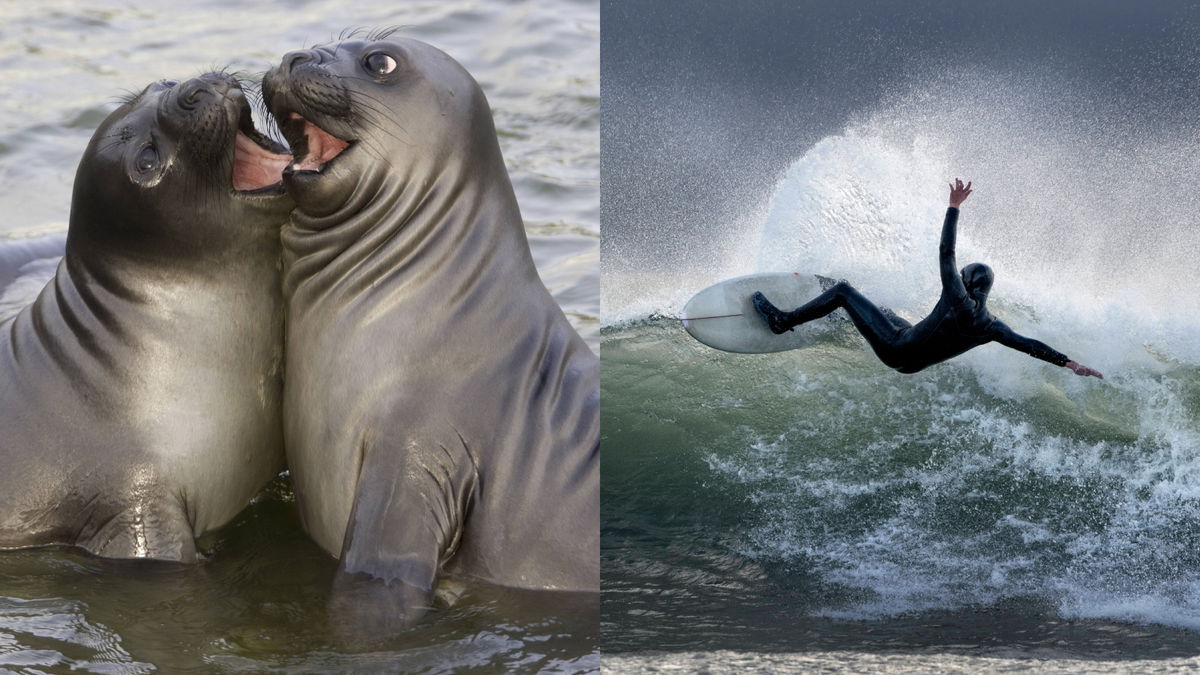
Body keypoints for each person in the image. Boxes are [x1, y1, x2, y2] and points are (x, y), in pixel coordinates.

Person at [751, 179, 1104, 378]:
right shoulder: (991, 326)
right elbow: (1030, 345)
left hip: (895, 349)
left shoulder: (957, 297)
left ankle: (784, 320)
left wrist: (954, 206)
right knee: (888, 313)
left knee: (844, 290)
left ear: (966, 283)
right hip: (911, 364)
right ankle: (844, 305)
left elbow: (946, 254)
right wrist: (1070, 364)